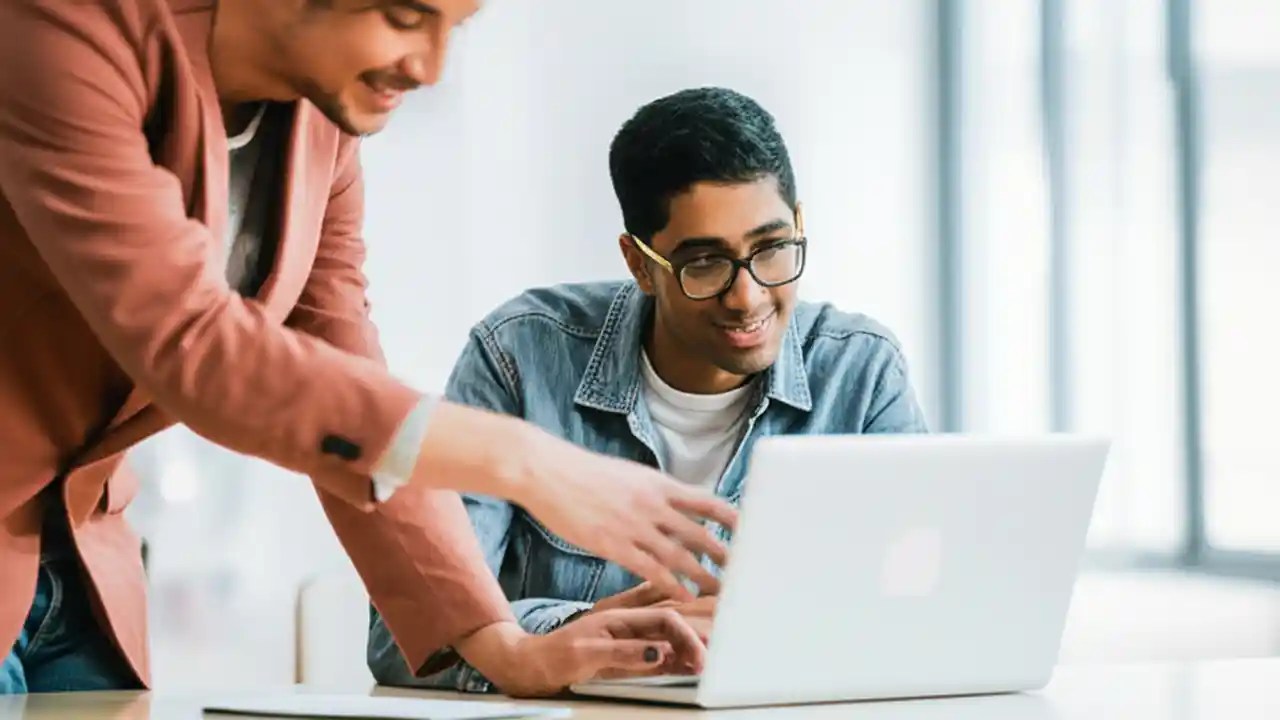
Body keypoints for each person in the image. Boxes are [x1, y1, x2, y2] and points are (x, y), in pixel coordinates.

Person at [0, 0, 736, 696]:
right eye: (406, 16)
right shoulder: (59, 30)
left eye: (458, 25)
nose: (432, 68)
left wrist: (497, 641)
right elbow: (193, 343)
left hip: (83, 575)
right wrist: (529, 462)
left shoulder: (320, 130)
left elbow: (349, 379)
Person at [368, 86, 929, 692]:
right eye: (705, 263)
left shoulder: (861, 371)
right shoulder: (520, 356)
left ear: (798, 224)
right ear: (639, 264)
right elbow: (406, 639)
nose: (747, 297)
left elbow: (923, 611)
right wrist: (592, 631)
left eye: (771, 249)